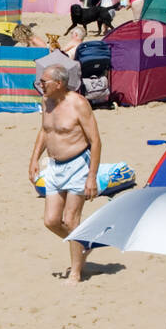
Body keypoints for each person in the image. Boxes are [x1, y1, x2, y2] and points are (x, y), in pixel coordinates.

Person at [29, 64, 102, 284]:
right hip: (54, 166)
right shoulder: (46, 101)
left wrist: (91, 176)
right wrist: (33, 158)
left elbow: (96, 141)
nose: (40, 85)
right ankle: (82, 245)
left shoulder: (78, 104)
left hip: (78, 165)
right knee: (51, 221)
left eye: (44, 82)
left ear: (59, 83)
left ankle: (76, 273)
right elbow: (45, 130)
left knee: (71, 220)